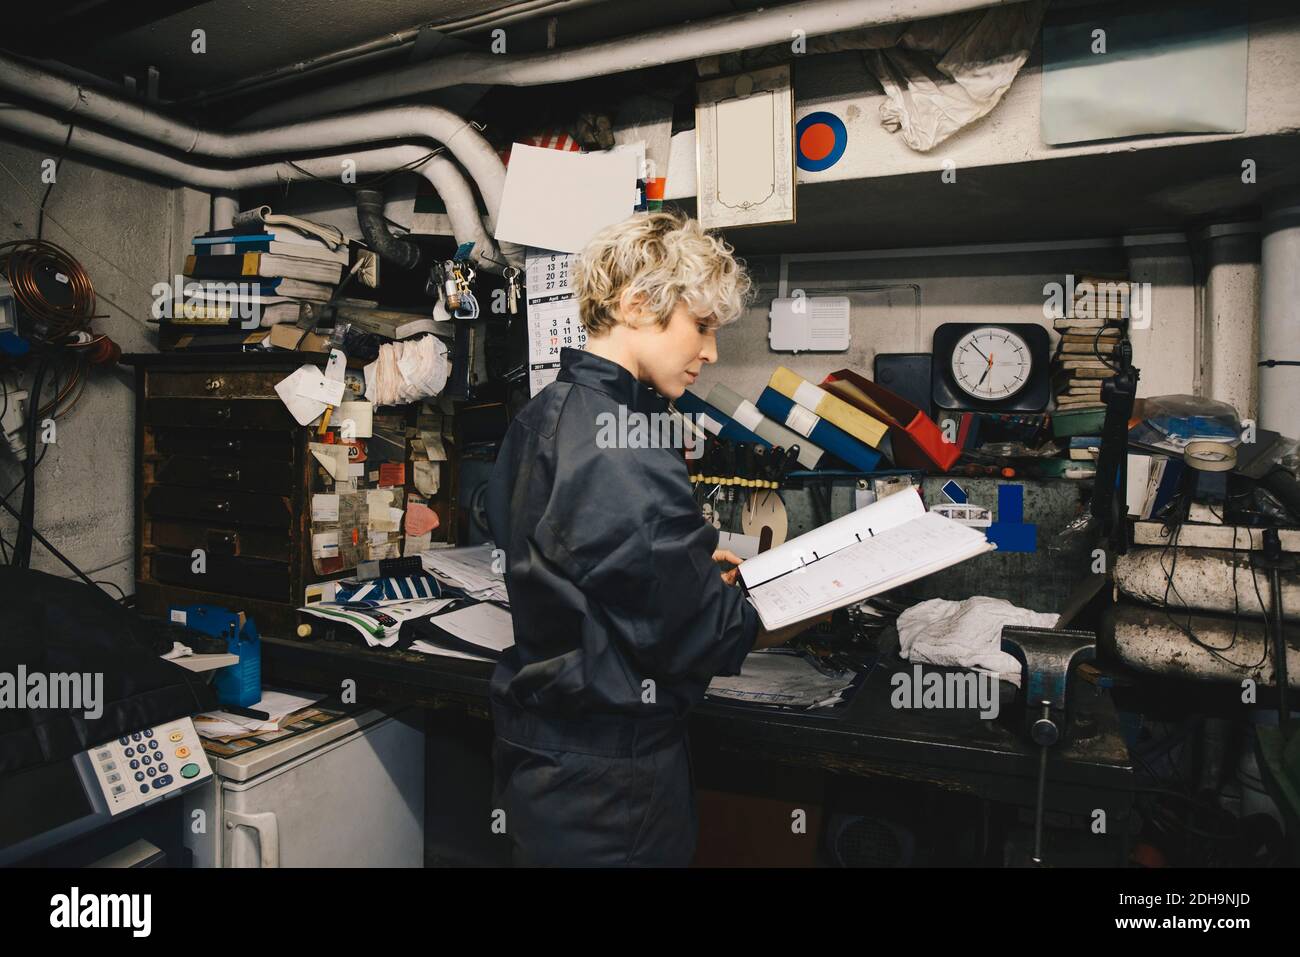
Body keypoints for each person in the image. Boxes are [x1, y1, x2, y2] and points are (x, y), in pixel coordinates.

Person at [485, 209, 825, 866]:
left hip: (547, 760)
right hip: (610, 787)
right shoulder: (626, 444)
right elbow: (703, 634)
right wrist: (820, 595)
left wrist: (691, 572)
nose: (712, 352)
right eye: (701, 326)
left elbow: (565, 557)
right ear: (637, 304)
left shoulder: (544, 413)